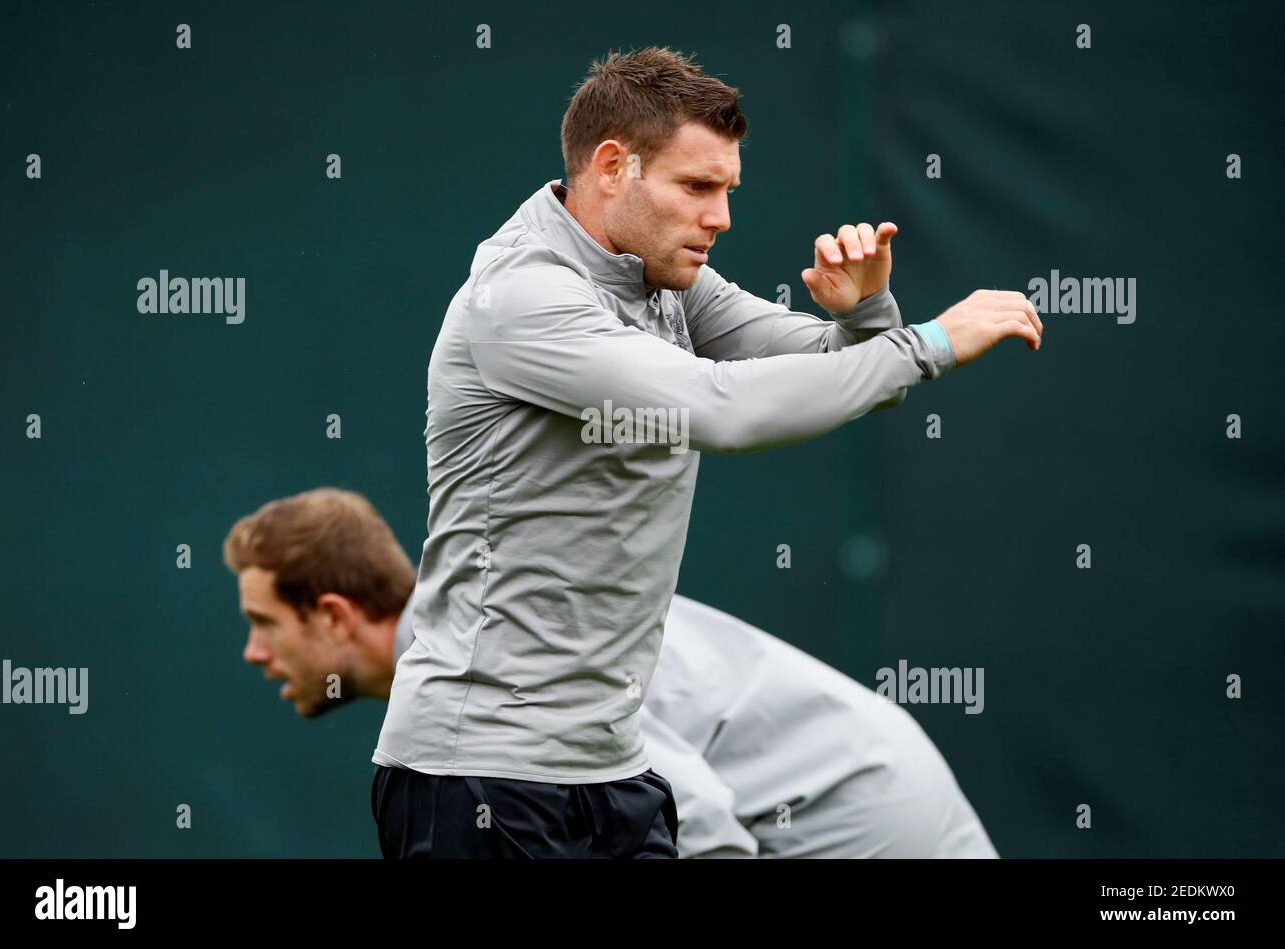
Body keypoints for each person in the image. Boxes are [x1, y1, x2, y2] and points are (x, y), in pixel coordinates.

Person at [374, 45, 1040, 858]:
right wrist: (930, 341)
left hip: (617, 770)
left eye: (727, 189)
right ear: (612, 166)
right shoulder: (522, 297)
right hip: (479, 779)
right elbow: (721, 410)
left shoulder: (662, 280)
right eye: (696, 187)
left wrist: (869, 313)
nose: (720, 217)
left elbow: (836, 367)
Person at [225, 488, 997, 858]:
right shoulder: (465, 642)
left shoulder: (483, 650)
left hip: (858, 823)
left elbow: (705, 825)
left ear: (332, 613)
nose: (254, 653)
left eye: (263, 623)